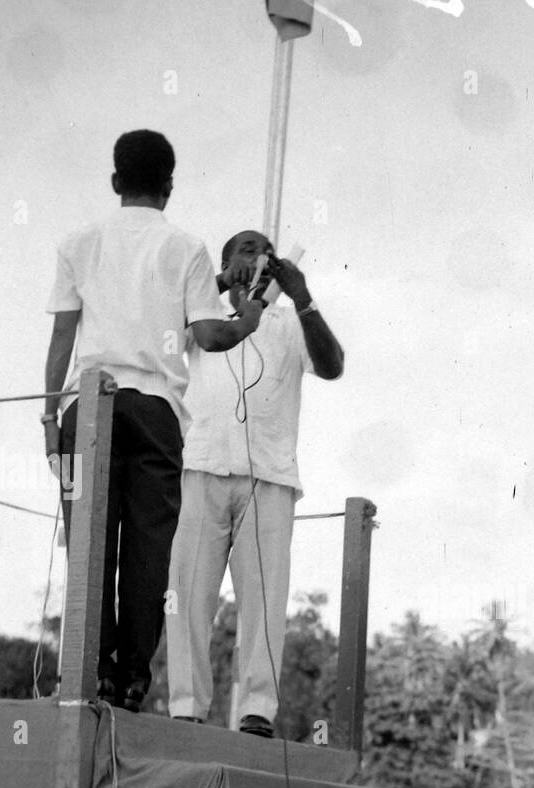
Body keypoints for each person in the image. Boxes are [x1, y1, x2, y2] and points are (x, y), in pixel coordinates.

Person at [42, 130, 265, 711]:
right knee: (148, 553)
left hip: (86, 408)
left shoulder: (78, 243)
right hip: (154, 411)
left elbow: (63, 335)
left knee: (89, 546)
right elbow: (209, 333)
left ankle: (96, 671)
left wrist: (48, 415)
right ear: (169, 187)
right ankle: (133, 678)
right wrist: (250, 316)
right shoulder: (186, 247)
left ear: (116, 182)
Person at [166, 229, 343, 736]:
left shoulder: (289, 321)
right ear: (225, 263)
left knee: (264, 600)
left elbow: (332, 367)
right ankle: (186, 707)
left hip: (269, 476)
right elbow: (162, 334)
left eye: (263, 250)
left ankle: (256, 711)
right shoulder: (205, 319)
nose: (256, 256)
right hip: (201, 469)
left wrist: (303, 297)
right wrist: (218, 285)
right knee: (189, 595)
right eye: (244, 249)